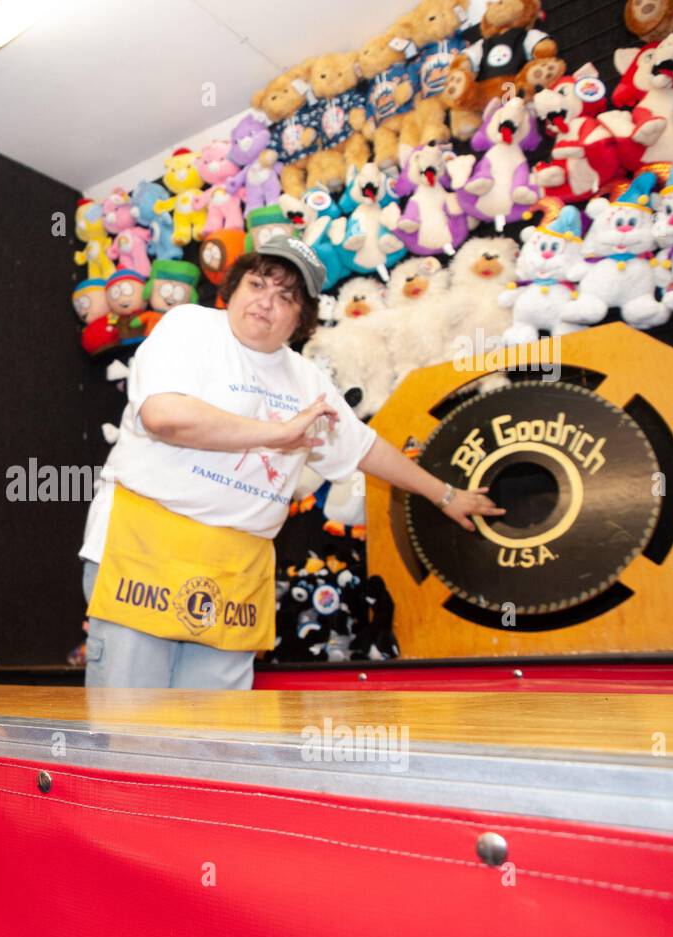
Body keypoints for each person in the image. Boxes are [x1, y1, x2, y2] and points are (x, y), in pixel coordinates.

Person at [78, 234, 504, 689]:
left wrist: (445, 494)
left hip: (235, 569)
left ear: (301, 320)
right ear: (234, 288)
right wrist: (279, 434)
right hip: (145, 549)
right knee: (128, 727)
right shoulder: (191, 327)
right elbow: (164, 416)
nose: (266, 302)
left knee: (212, 736)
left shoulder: (307, 380)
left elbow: (365, 449)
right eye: (258, 285)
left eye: (285, 297)